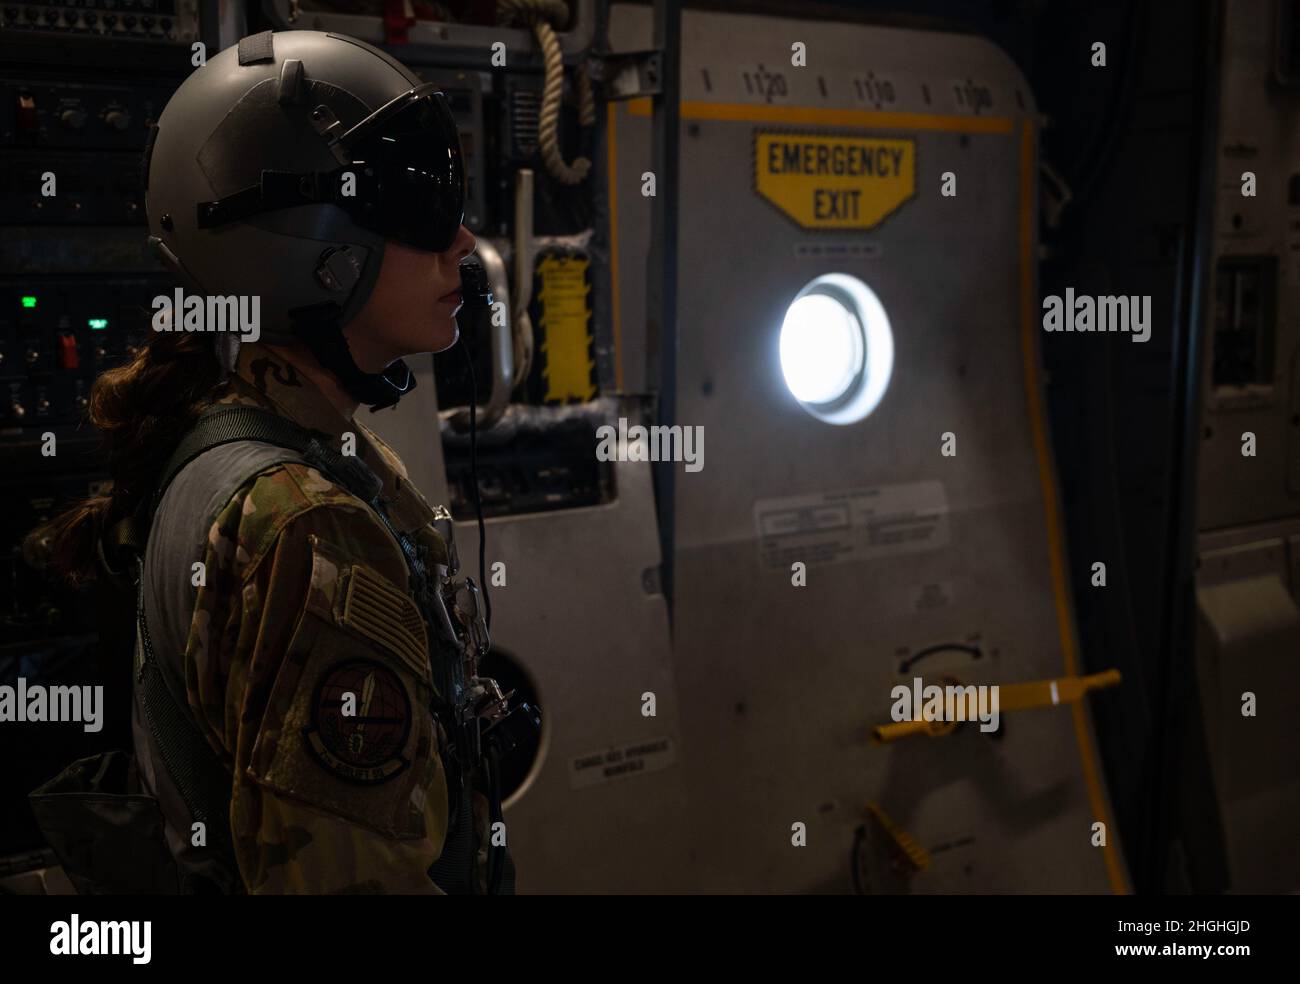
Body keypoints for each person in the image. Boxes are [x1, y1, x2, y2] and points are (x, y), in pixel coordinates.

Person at [26, 29, 517, 894]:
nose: (463, 243)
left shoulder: (230, 442)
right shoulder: (303, 521)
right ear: (312, 250)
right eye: (424, 210)